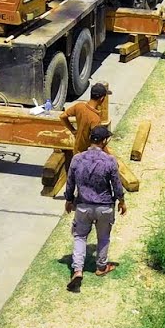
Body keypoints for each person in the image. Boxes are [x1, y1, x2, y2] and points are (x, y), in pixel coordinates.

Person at [64, 125, 127, 292]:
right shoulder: (110, 161)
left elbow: (70, 182)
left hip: (83, 205)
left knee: (80, 237)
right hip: (104, 206)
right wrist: (121, 201)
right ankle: (101, 267)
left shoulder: (77, 159)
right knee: (103, 237)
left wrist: (69, 200)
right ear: (104, 141)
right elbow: (117, 185)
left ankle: (77, 271)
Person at [60, 82, 110, 154]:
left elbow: (62, 116)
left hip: (77, 150)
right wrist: (109, 156)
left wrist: (73, 130)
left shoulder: (79, 106)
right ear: (102, 99)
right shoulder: (95, 119)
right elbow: (98, 141)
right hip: (87, 154)